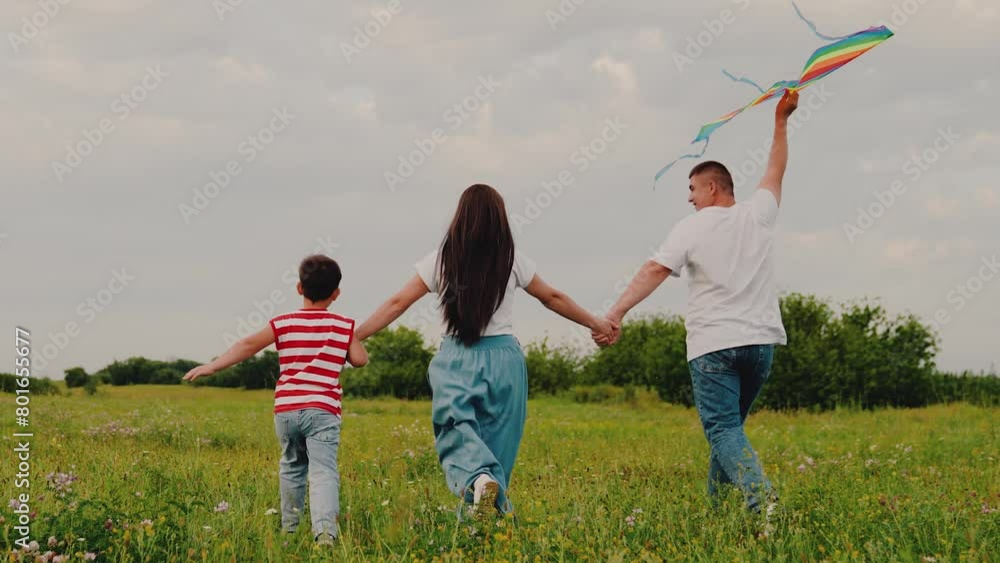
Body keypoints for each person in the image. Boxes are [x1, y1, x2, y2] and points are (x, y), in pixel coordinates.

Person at [355, 183, 618, 518]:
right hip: (505, 360)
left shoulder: (441, 260)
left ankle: (479, 483)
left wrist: (352, 335)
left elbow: (396, 303)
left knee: (456, 430)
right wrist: (595, 322)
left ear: (460, 219)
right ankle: (485, 516)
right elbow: (552, 297)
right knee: (499, 442)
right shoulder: (512, 260)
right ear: (499, 220)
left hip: (457, 358)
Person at [595, 91, 799, 514]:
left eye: (692, 188)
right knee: (730, 431)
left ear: (711, 187)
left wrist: (615, 312)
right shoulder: (758, 213)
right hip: (760, 345)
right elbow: (776, 169)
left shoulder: (691, 227)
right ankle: (717, 512)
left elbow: (653, 270)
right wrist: (780, 121)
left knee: (723, 429)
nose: (689, 198)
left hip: (713, 347)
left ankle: (763, 501)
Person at [183, 254, 368, 545]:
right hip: (322, 409)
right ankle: (325, 534)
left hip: (287, 409)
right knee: (322, 472)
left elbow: (247, 345)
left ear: (299, 288)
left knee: (292, 467)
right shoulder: (343, 325)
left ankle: (290, 531)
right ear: (337, 293)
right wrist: (350, 341)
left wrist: (213, 366)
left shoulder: (283, 322)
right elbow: (359, 359)